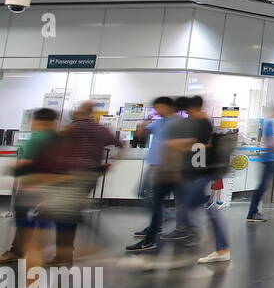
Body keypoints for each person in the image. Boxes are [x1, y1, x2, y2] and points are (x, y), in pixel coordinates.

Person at [0, 109, 65, 288]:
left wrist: (12, 168)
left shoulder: (37, 139)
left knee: (32, 244)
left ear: (36, 121)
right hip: (53, 193)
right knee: (37, 242)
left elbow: (27, 164)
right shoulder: (61, 139)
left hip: (36, 194)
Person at [49, 100, 122, 263]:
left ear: (79, 112)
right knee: (71, 210)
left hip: (70, 175)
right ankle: (66, 252)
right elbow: (121, 145)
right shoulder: (101, 129)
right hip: (91, 174)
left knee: (66, 213)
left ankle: (65, 253)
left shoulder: (71, 129)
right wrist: (111, 164)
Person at [170, 97, 232, 264]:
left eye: (188, 110)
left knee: (192, 207)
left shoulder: (203, 123)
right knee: (198, 207)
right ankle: (220, 247)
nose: (187, 114)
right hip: (199, 172)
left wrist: (182, 144)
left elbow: (201, 146)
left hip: (202, 172)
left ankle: (219, 247)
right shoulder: (202, 123)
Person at [131, 96, 178, 240]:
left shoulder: (177, 123)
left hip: (164, 166)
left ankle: (156, 225)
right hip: (153, 164)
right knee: (144, 193)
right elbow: (141, 134)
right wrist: (144, 122)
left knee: (154, 197)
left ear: (168, 106)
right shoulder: (159, 123)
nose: (157, 111)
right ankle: (161, 220)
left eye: (159, 107)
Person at [246, 102, 274, 222]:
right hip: (269, 159)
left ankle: (253, 212)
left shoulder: (272, 123)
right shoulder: (269, 123)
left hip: (271, 159)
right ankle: (252, 212)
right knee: (262, 186)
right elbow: (270, 142)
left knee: (263, 185)